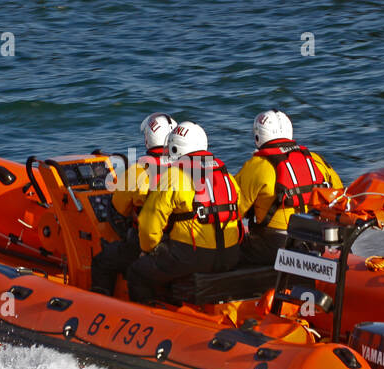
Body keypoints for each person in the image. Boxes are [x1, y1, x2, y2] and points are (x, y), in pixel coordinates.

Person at [126, 121, 242, 304]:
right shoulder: (225, 174)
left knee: (137, 271)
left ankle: (150, 319)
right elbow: (239, 211)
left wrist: (148, 250)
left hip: (192, 257)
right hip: (231, 255)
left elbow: (149, 222)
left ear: (174, 148)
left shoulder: (174, 176)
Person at [235, 109, 343, 266]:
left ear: (258, 137)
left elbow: (233, 210)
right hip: (319, 239)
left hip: (276, 245)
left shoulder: (256, 166)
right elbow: (341, 197)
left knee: (233, 252)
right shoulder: (316, 160)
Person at [90, 113, 176, 295]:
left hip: (148, 243)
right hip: (182, 243)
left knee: (103, 260)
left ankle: (102, 306)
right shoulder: (187, 167)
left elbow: (117, 208)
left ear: (148, 140)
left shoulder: (138, 171)